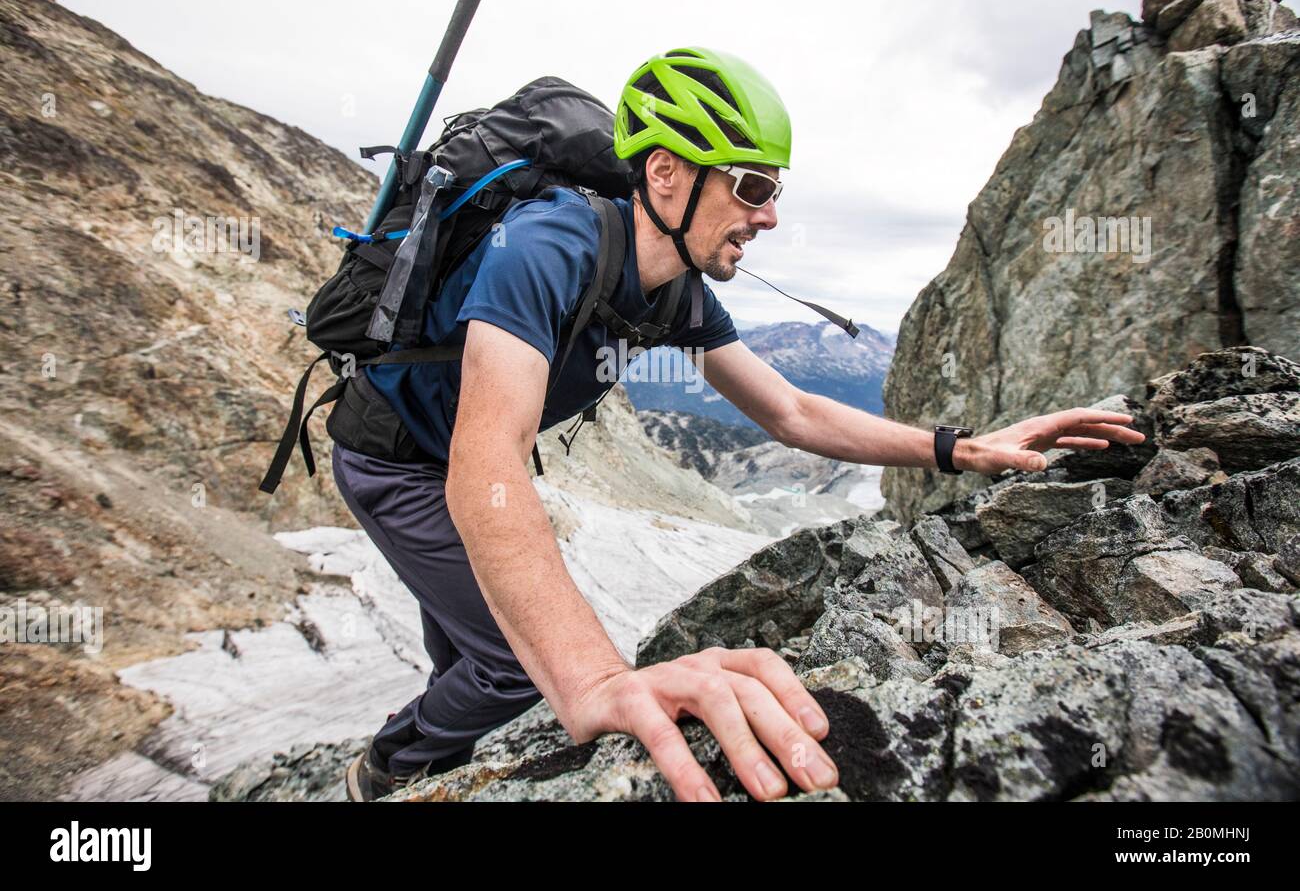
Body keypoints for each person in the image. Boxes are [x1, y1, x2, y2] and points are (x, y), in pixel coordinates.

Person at [339, 47, 1147, 801]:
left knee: (478, 657)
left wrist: (969, 449)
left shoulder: (677, 289)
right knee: (514, 672)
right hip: (397, 461)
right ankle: (382, 772)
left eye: (774, 192)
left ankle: (430, 763)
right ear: (665, 173)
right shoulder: (547, 244)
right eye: (752, 188)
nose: (767, 217)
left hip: (446, 461)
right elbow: (489, 463)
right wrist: (596, 681)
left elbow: (790, 412)